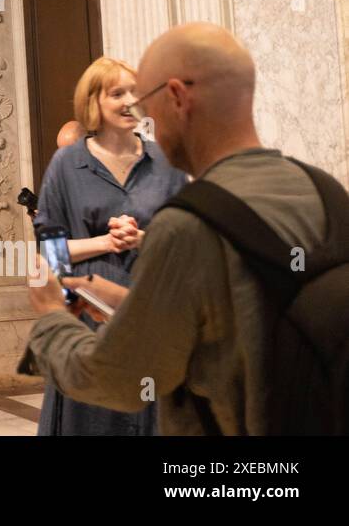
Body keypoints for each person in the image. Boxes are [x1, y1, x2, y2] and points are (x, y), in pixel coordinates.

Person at [24, 22, 344, 434]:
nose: (139, 112)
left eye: (144, 99)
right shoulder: (328, 191)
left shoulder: (187, 226)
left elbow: (119, 378)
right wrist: (109, 292)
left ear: (175, 97)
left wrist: (51, 316)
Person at [30, 57, 188, 435]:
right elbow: (48, 253)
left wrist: (143, 238)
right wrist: (104, 240)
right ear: (93, 102)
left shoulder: (165, 161)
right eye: (118, 93)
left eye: (136, 91)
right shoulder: (67, 164)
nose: (130, 100)